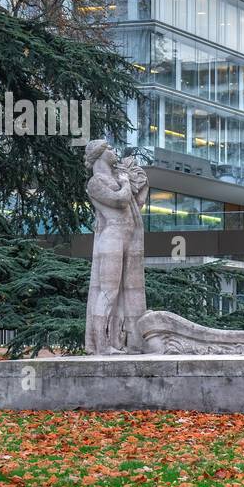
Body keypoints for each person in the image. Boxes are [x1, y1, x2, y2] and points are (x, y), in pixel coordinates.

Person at [84, 140, 148, 354]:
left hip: (127, 238)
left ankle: (121, 340)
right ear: (100, 154)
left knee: (125, 293)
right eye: (109, 149)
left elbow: (134, 203)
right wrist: (126, 183)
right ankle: (101, 346)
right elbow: (119, 201)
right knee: (108, 292)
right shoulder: (95, 182)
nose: (114, 152)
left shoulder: (114, 177)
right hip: (111, 238)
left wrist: (133, 180)